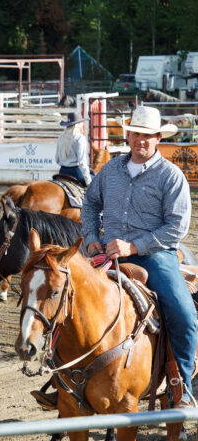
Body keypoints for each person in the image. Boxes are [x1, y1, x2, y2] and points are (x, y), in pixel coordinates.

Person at [81, 105, 195, 406]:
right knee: (68, 299)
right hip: (106, 254)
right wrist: (92, 241)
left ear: (158, 138)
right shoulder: (111, 170)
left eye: (147, 136)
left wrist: (133, 247)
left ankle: (181, 387)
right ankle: (64, 380)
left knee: (184, 314)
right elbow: (91, 205)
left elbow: (177, 227)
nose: (140, 141)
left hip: (155, 255)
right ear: (128, 135)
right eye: (136, 134)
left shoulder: (171, 176)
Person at [55, 111, 92, 186]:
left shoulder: (61, 137)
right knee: (95, 182)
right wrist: (88, 181)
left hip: (62, 172)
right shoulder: (79, 138)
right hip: (75, 172)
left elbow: (57, 159)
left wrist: (65, 163)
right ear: (78, 124)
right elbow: (82, 162)